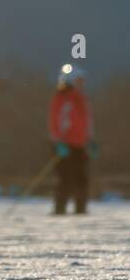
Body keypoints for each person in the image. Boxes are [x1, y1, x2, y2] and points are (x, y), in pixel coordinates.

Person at [49, 64, 95, 215]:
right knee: (65, 179)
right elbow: (56, 121)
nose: (82, 83)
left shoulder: (81, 99)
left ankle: (80, 210)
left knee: (82, 179)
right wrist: (58, 142)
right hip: (65, 145)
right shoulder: (62, 98)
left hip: (80, 145)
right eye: (79, 80)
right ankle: (59, 210)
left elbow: (86, 122)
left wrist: (90, 140)